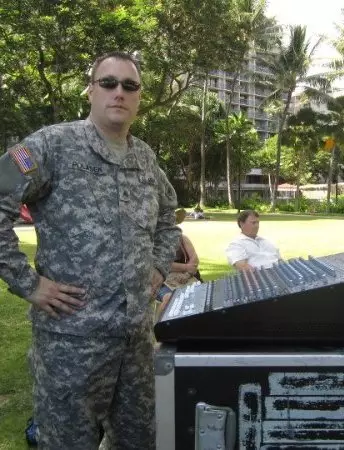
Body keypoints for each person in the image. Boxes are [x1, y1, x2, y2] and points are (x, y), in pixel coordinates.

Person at [0, 51, 181, 450]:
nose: (119, 92)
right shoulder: (51, 145)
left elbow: (169, 217)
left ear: (138, 97)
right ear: (90, 91)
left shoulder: (145, 159)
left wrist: (158, 265)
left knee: (140, 442)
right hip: (70, 343)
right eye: (109, 83)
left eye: (129, 86)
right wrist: (28, 283)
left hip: (134, 343)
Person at [155, 208, 202, 319]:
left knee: (202, 296)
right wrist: (186, 267)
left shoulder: (182, 238)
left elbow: (194, 259)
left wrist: (186, 274)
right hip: (162, 280)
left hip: (187, 277)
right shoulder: (154, 242)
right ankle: (160, 328)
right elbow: (163, 263)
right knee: (169, 299)